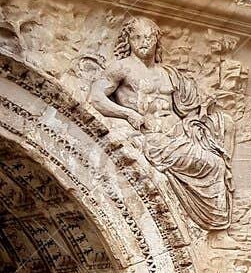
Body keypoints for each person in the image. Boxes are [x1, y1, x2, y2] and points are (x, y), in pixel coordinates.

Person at [87, 14, 234, 230]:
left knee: (219, 155)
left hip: (177, 136)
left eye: (148, 37)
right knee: (213, 165)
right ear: (128, 40)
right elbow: (96, 97)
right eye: (137, 38)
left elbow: (187, 106)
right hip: (152, 139)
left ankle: (216, 226)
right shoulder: (121, 68)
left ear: (156, 39)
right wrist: (126, 113)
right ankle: (215, 224)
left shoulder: (167, 73)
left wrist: (202, 110)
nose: (143, 43)